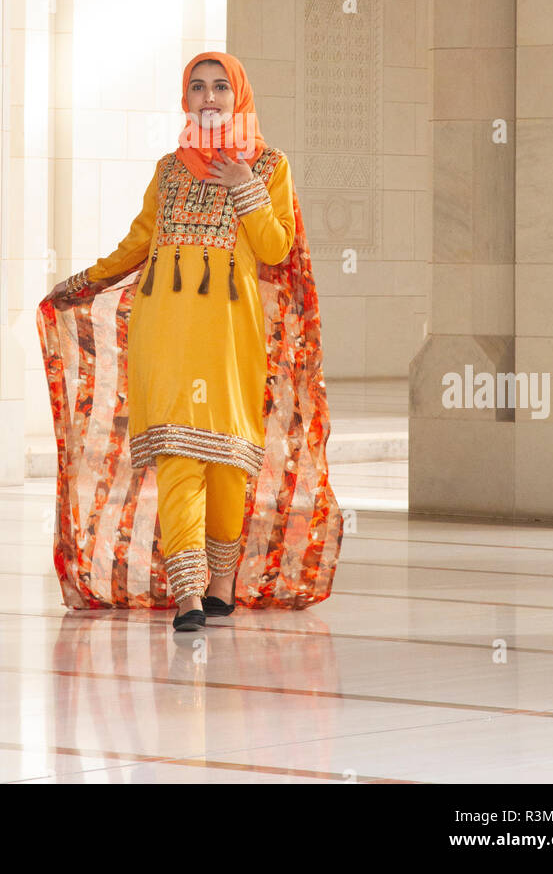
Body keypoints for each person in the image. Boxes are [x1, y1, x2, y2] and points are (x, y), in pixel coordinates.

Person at [38, 50, 342, 632]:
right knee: (178, 453)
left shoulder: (270, 166)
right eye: (197, 87)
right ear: (186, 99)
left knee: (226, 461)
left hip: (230, 337)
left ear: (239, 96)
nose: (208, 98)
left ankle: (223, 582)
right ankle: (188, 595)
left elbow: (277, 248)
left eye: (220, 87)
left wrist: (246, 186)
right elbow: (137, 244)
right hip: (166, 329)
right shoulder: (169, 170)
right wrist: (80, 283)